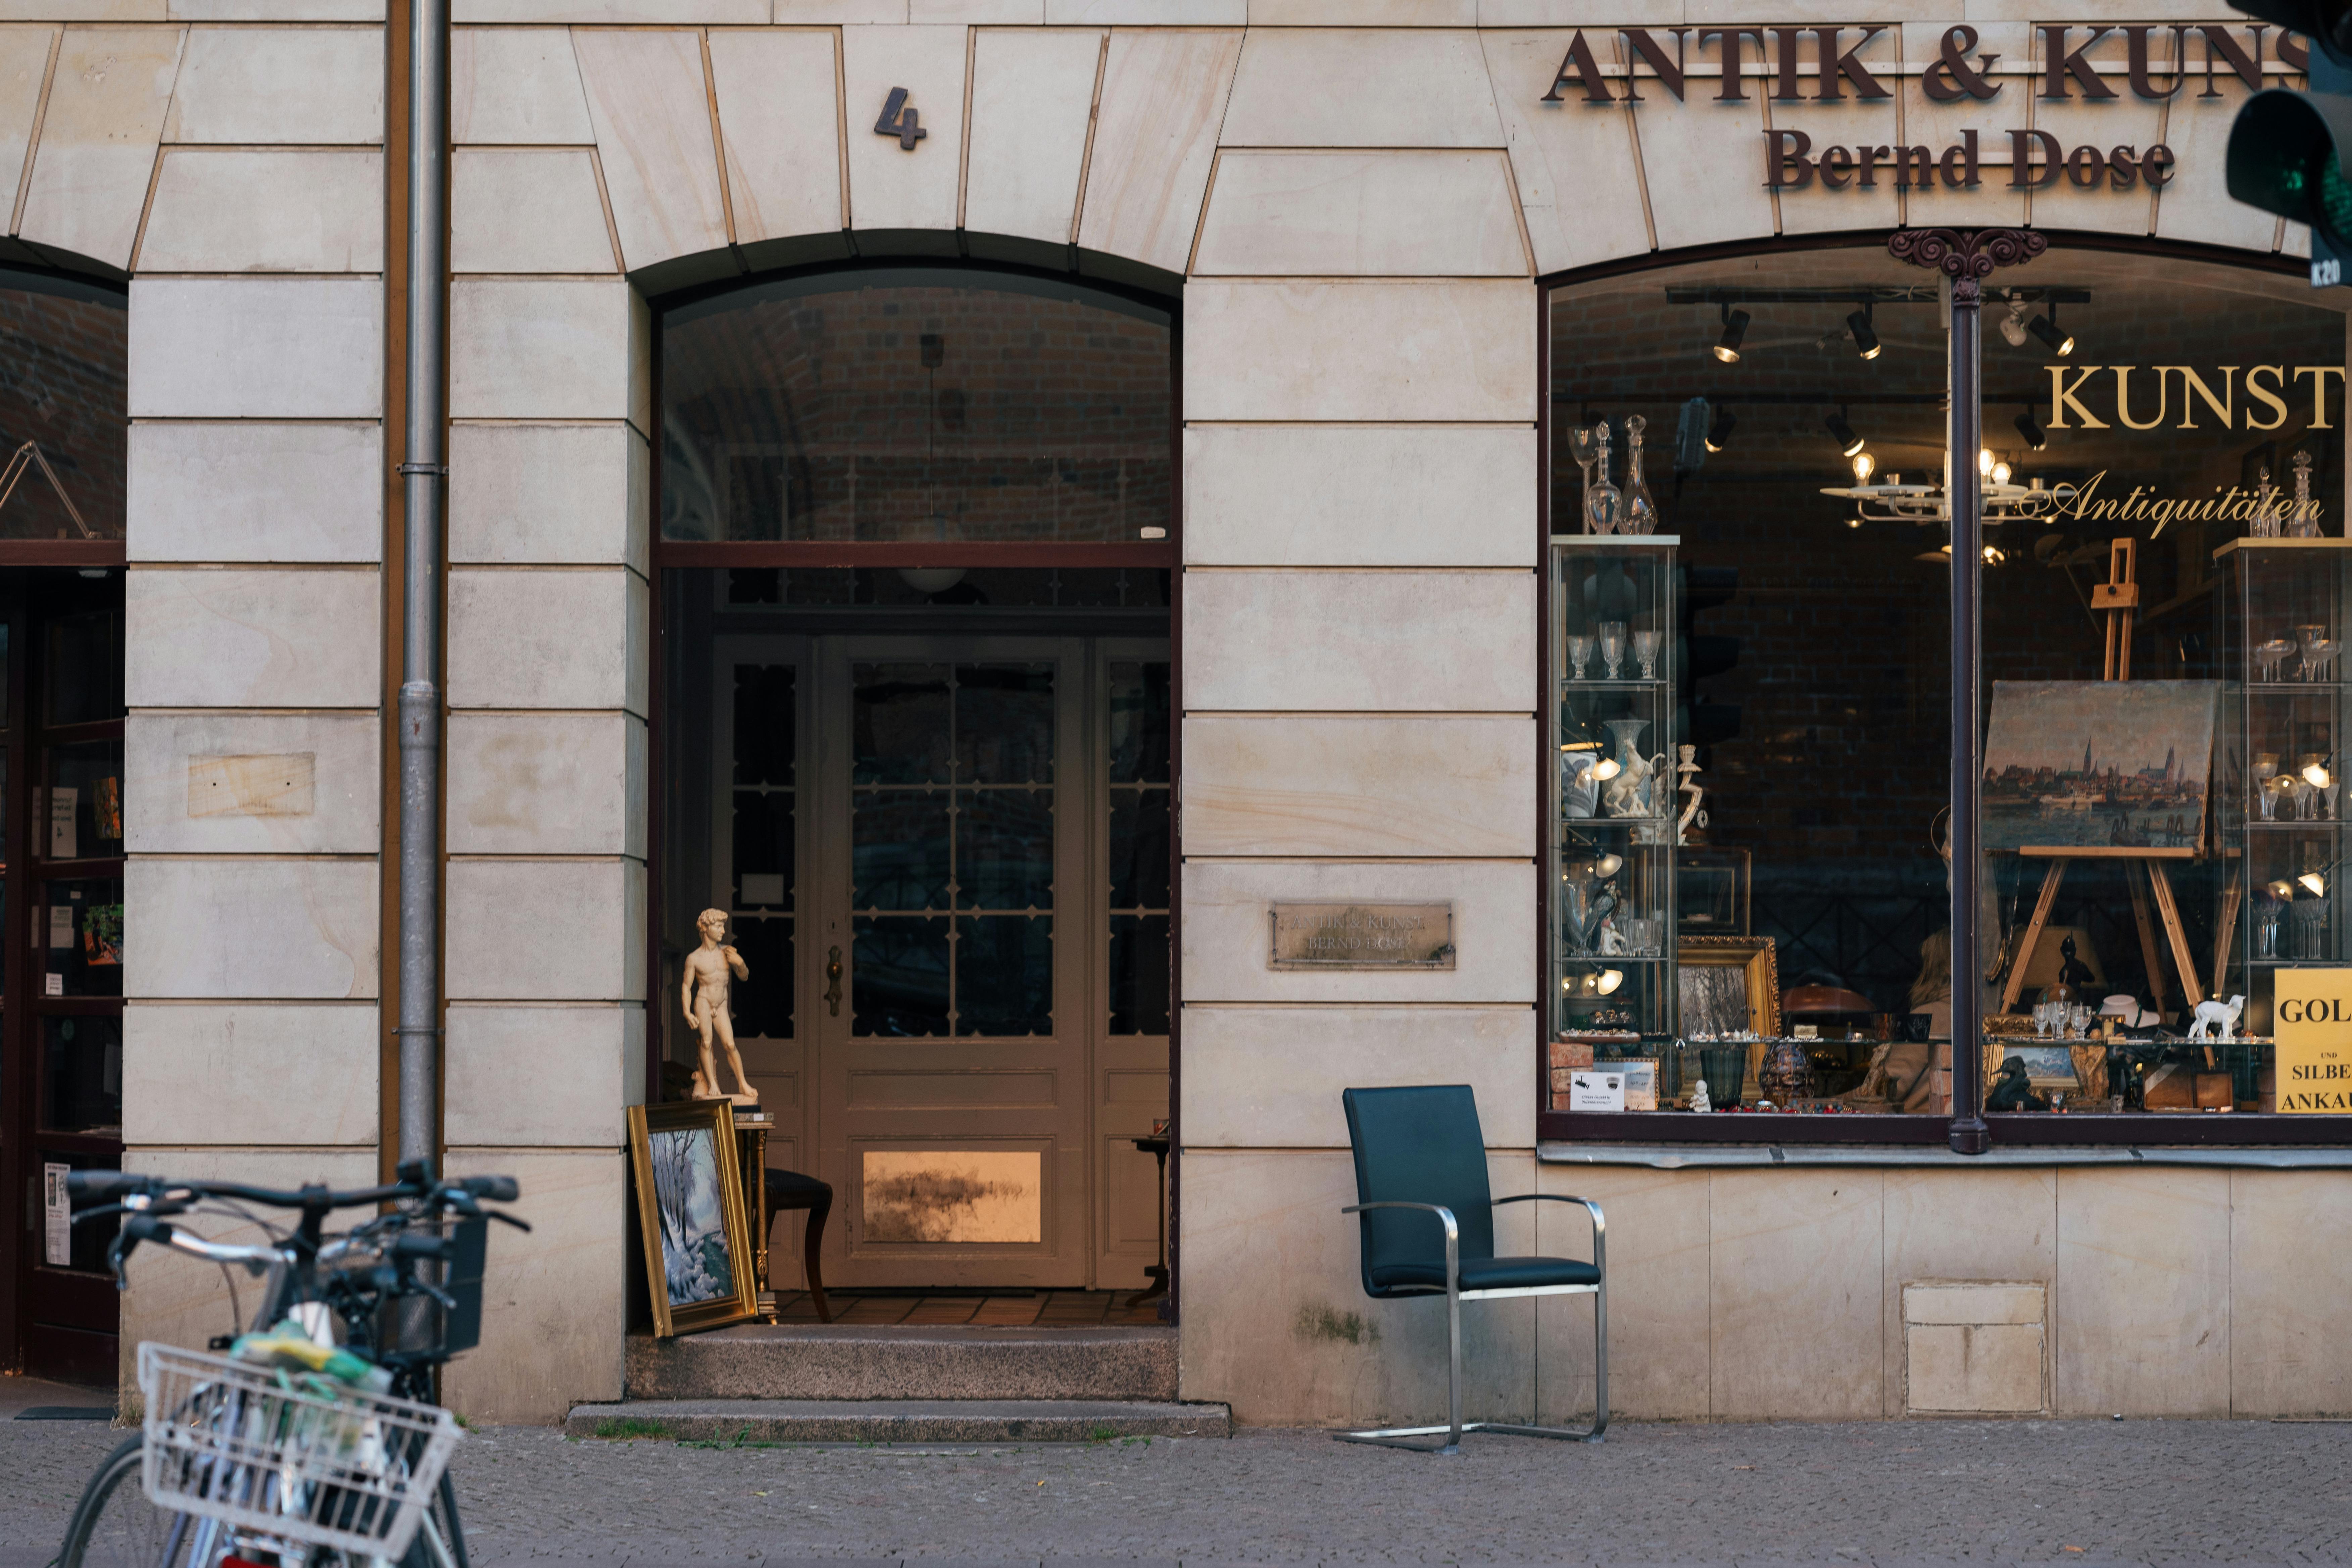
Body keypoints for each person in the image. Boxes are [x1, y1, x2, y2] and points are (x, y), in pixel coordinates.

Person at [682, 908, 757, 1105]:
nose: (723, 931)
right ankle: (712, 1083)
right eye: (718, 926)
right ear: (706, 928)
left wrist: (740, 964)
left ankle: (743, 1083)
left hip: (721, 1003)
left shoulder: (727, 952)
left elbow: (745, 976)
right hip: (704, 1001)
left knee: (730, 1044)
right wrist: (687, 1012)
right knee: (706, 1042)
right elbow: (686, 987)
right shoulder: (694, 958)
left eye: (723, 926)